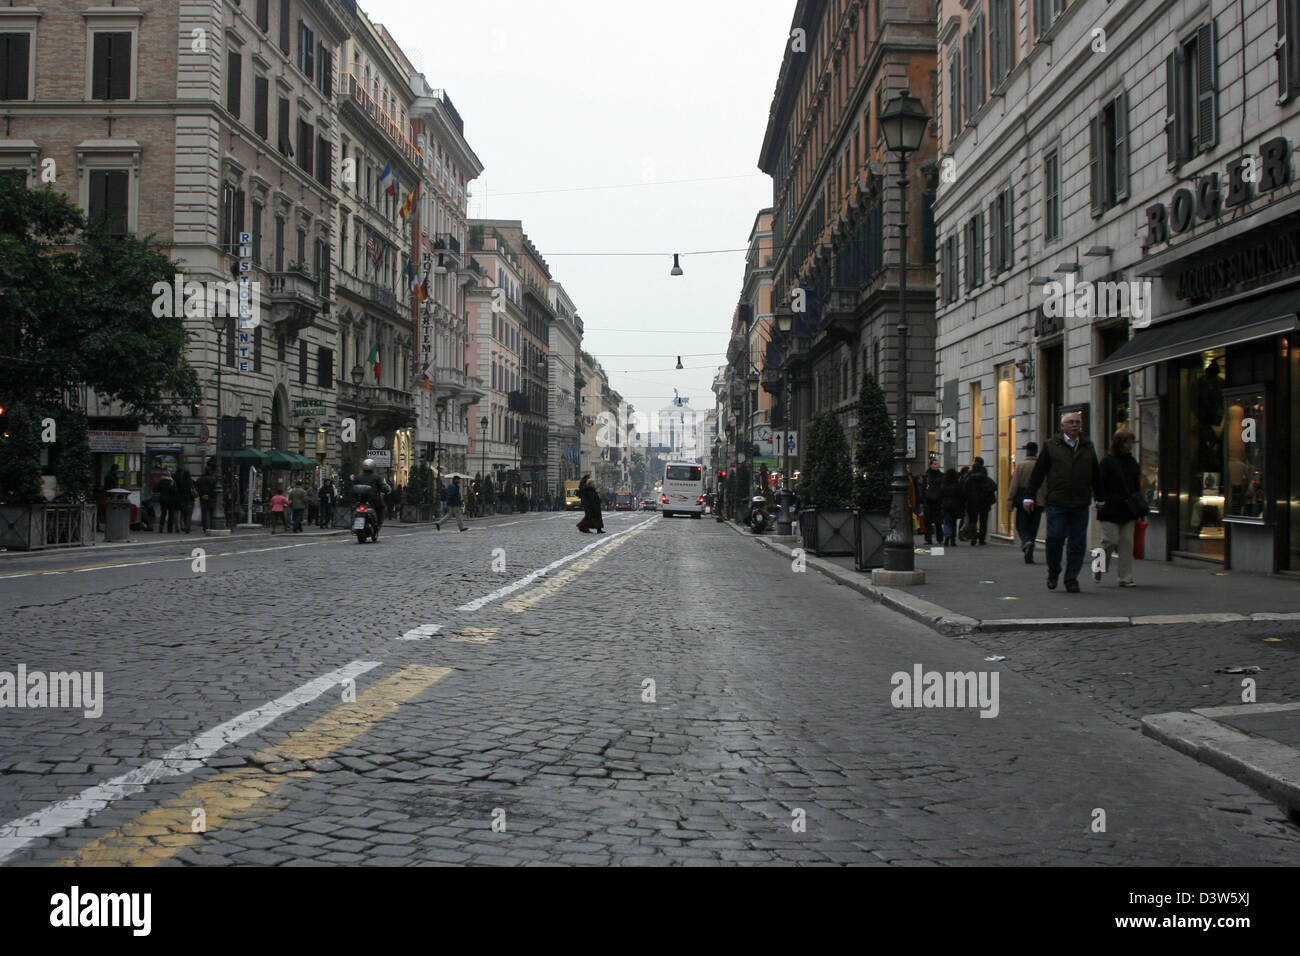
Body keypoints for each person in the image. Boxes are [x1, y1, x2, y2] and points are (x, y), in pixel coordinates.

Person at [1023, 411, 1103, 593]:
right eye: (1071, 422)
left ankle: (1071, 578)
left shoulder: (1087, 446)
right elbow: (1039, 473)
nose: (1075, 425)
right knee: (1055, 538)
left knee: (1077, 543)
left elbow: (1096, 474)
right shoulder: (1051, 446)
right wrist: (1029, 496)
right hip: (1057, 502)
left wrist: (1100, 499)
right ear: (1063, 426)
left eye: (1077, 422)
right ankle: (1054, 571)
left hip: (1080, 502)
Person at [1096, 428, 1142, 588]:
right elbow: (1099, 484)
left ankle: (1125, 577)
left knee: (1127, 543)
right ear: (1118, 443)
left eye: (1131, 442)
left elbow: (1136, 487)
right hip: (1109, 507)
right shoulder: (1107, 461)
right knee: (1109, 540)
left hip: (1128, 508)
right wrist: (1099, 501)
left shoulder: (1132, 463)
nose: (1130, 445)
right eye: (1127, 442)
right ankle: (1099, 565)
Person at [1008, 442, 1044, 563]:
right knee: (1033, 526)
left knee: (1021, 525)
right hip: (1038, 500)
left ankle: (1027, 542)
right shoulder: (1041, 465)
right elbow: (1046, 484)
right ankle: (1030, 547)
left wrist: (1010, 502)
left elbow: (1014, 485)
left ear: (1027, 451)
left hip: (1023, 499)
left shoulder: (1021, 465)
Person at [963, 461, 997, 546]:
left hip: (972, 502)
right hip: (984, 503)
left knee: (973, 521)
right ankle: (982, 539)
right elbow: (994, 486)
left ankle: (973, 537)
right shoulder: (985, 477)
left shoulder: (969, 477)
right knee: (983, 521)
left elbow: (964, 489)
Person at [351, 459, 389, 531]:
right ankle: (378, 523)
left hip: (359, 500)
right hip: (373, 500)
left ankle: (353, 524)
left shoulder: (358, 477)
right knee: (381, 508)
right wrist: (386, 490)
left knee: (354, 509)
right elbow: (382, 487)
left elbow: (352, 488)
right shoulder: (376, 477)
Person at [922, 459, 944, 545]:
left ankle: (940, 538)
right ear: (931, 465)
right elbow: (923, 489)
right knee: (927, 521)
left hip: (938, 502)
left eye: (937, 464)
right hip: (928, 502)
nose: (936, 465)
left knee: (938, 522)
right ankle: (928, 539)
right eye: (934, 464)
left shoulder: (941, 475)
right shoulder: (927, 476)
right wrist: (923, 500)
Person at [940, 468, 963, 547]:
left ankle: (947, 535)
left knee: (947, 521)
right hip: (955, 505)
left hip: (946, 504)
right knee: (953, 522)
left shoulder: (943, 485)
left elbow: (941, 494)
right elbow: (961, 495)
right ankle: (953, 540)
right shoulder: (957, 485)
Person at [197, 463, 218, 533]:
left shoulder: (200, 479)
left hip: (203, 497)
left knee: (204, 513)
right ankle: (212, 526)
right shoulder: (214, 479)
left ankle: (205, 528)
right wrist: (209, 495)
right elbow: (215, 489)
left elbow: (197, 488)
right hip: (211, 497)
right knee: (212, 513)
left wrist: (202, 494)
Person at [174, 467, 195, 533]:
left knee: (183, 514)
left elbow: (177, 490)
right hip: (189, 499)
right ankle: (187, 528)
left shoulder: (181, 481)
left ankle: (182, 526)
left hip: (182, 499)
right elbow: (193, 490)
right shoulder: (191, 481)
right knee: (189, 515)